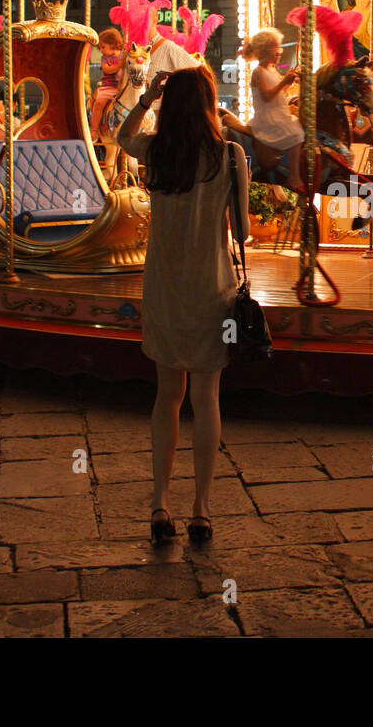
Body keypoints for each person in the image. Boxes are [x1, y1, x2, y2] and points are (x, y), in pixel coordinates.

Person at [116, 65, 247, 547]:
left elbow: (121, 133)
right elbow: (245, 231)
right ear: (211, 103)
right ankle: (202, 508)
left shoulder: (157, 151)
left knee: (166, 396)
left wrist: (147, 97)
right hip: (212, 287)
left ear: (170, 106)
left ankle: (159, 503)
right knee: (206, 398)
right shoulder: (229, 156)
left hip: (165, 287)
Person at [240, 27, 305, 193]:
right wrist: (283, 83)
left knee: (299, 125)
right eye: (276, 49)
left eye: (279, 49)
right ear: (263, 51)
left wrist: (287, 84)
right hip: (267, 119)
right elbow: (267, 97)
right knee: (297, 134)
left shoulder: (272, 70)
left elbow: (276, 94)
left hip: (277, 114)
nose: (279, 53)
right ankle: (294, 176)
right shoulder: (258, 72)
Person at [89, 27, 125, 139]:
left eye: (103, 47)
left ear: (113, 44)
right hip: (109, 86)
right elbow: (107, 69)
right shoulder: (105, 58)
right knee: (99, 103)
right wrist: (119, 66)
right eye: (100, 48)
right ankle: (94, 128)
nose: (102, 50)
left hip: (122, 87)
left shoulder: (124, 56)